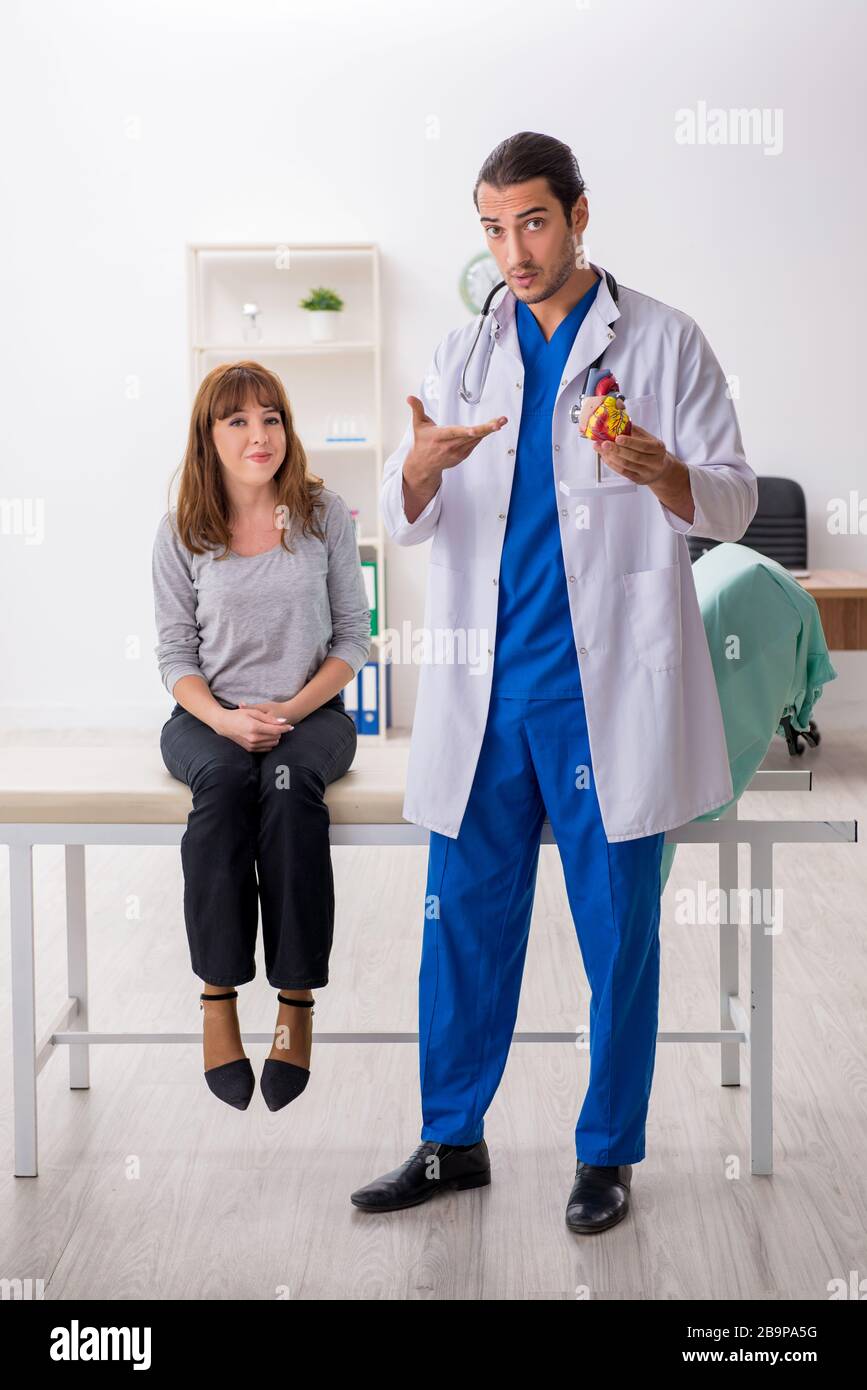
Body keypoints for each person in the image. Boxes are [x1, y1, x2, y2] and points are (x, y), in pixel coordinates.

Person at [352, 131, 758, 1232]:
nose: (513, 249)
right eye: (492, 227)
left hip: (604, 694)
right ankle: (452, 1141)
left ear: (581, 214)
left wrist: (665, 469)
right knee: (463, 922)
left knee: (615, 928)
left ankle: (606, 1153)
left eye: (532, 220)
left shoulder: (664, 342)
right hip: (486, 696)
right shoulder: (464, 351)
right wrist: (417, 471)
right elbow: (396, 516)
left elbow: (733, 501)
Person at [152, 360, 370, 1113]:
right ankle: (217, 997)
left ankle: (294, 1002)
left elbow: (353, 639)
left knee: (286, 785)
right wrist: (221, 718)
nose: (259, 435)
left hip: (310, 715)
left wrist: (290, 708)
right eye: (237, 420)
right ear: (208, 437)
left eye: (270, 417)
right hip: (207, 717)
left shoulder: (323, 515)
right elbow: (176, 656)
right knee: (221, 787)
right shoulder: (184, 527)